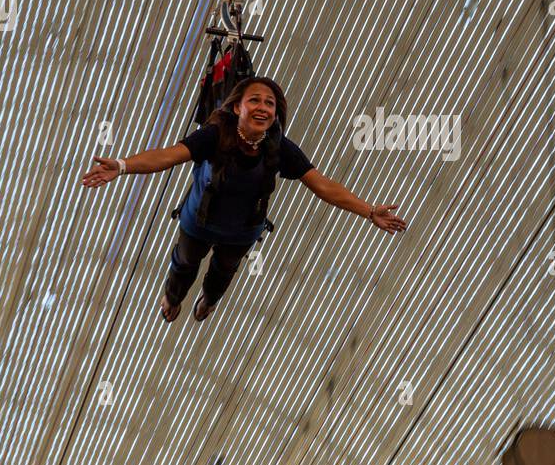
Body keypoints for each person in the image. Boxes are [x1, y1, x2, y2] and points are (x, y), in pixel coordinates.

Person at [80, 76, 407, 322]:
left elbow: (322, 186)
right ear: (238, 107)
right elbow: (169, 155)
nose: (263, 108)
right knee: (184, 265)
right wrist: (122, 166)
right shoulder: (214, 134)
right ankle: (172, 297)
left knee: (223, 272)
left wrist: (369, 211)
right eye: (255, 100)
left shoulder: (280, 149)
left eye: (270, 103)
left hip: (241, 231)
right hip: (199, 222)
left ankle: (208, 300)